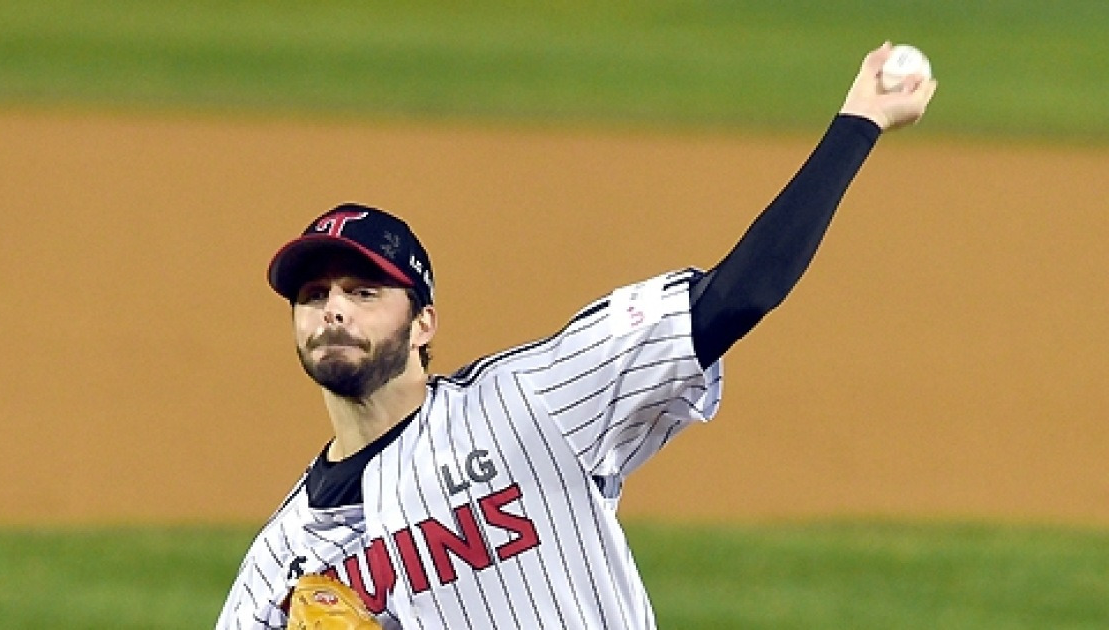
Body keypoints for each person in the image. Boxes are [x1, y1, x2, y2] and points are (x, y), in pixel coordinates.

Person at [216, 43, 937, 630]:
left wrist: (859, 119)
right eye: (313, 296)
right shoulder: (280, 564)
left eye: (363, 292)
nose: (332, 311)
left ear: (423, 321)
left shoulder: (530, 405)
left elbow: (740, 294)